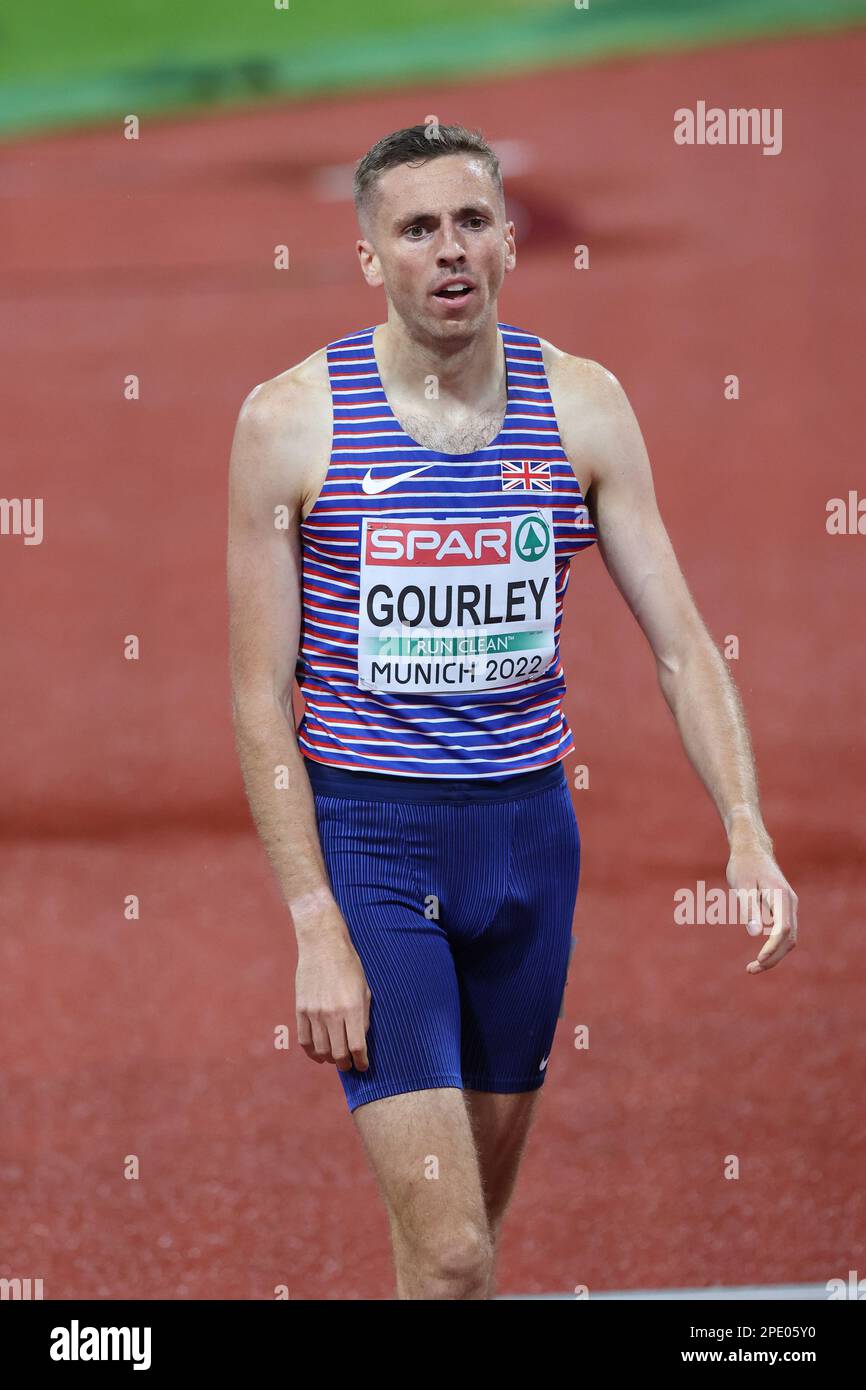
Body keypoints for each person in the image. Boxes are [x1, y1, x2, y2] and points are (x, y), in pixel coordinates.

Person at [226, 124, 798, 1300]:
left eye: (472, 222)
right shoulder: (289, 423)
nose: (449, 251)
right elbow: (252, 693)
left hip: (532, 850)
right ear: (367, 254)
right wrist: (312, 920)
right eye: (416, 227)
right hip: (376, 846)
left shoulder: (582, 406)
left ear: (509, 242)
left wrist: (743, 825)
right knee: (448, 1250)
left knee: (462, 1244)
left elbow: (682, 642)